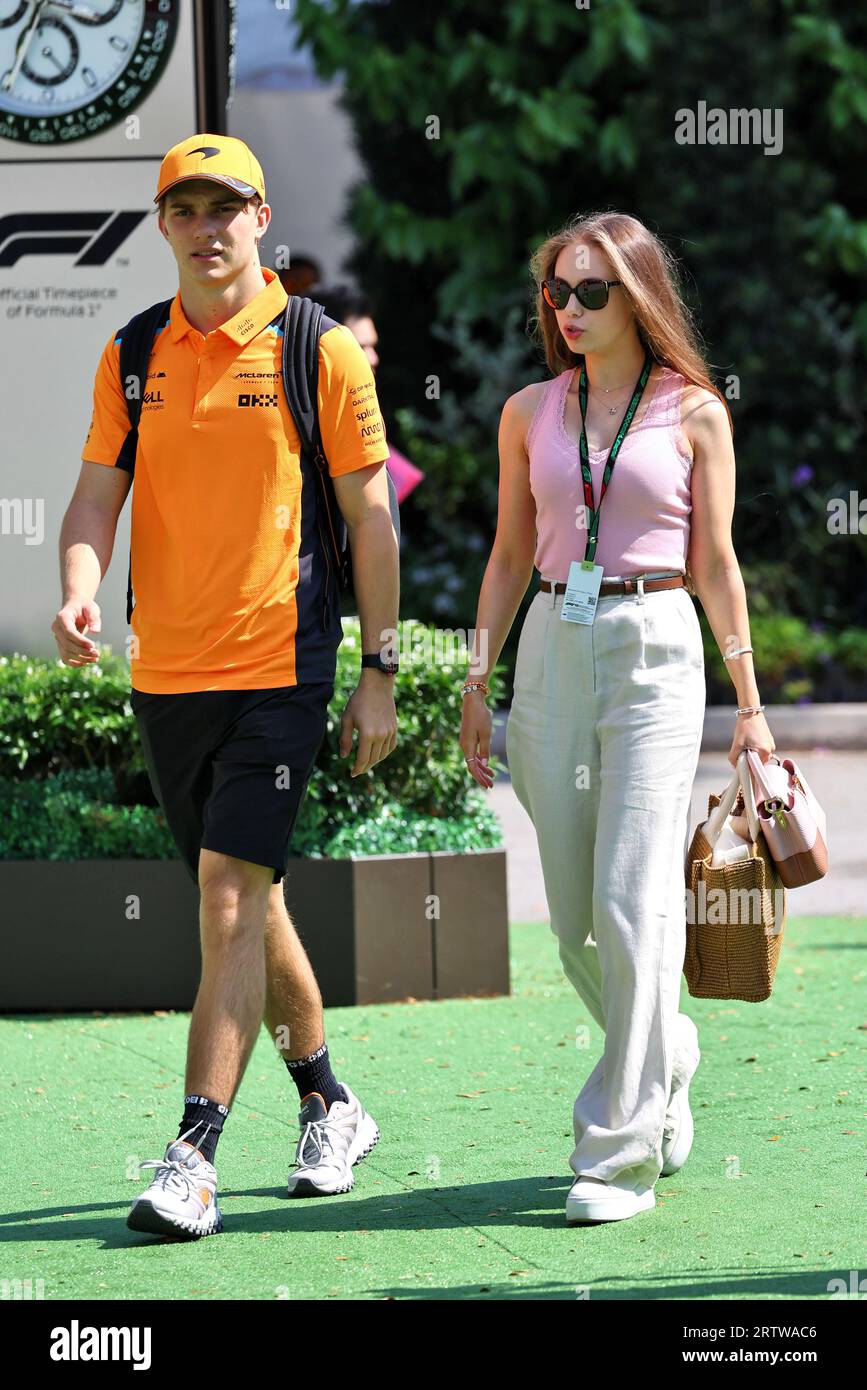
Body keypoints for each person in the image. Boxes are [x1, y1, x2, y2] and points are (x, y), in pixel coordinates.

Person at [52, 133, 400, 1240]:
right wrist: (77, 590)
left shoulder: (318, 349)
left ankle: (192, 1157)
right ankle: (330, 1104)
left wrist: (379, 671)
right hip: (169, 673)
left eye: (226, 208)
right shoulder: (133, 354)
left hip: (281, 670)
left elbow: (371, 519)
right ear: (164, 226)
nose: (207, 229)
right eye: (184, 210)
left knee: (225, 899)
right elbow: (96, 497)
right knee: (254, 901)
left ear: (260, 216)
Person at [459, 211, 776, 1226]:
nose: (571, 308)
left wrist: (751, 701)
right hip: (552, 643)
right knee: (572, 919)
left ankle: (619, 1152)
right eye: (558, 291)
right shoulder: (526, 413)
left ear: (638, 296)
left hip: (656, 647)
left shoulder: (694, 412)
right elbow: (511, 555)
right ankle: (666, 1048)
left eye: (593, 291)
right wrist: (477, 680)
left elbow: (718, 564)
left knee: (635, 898)